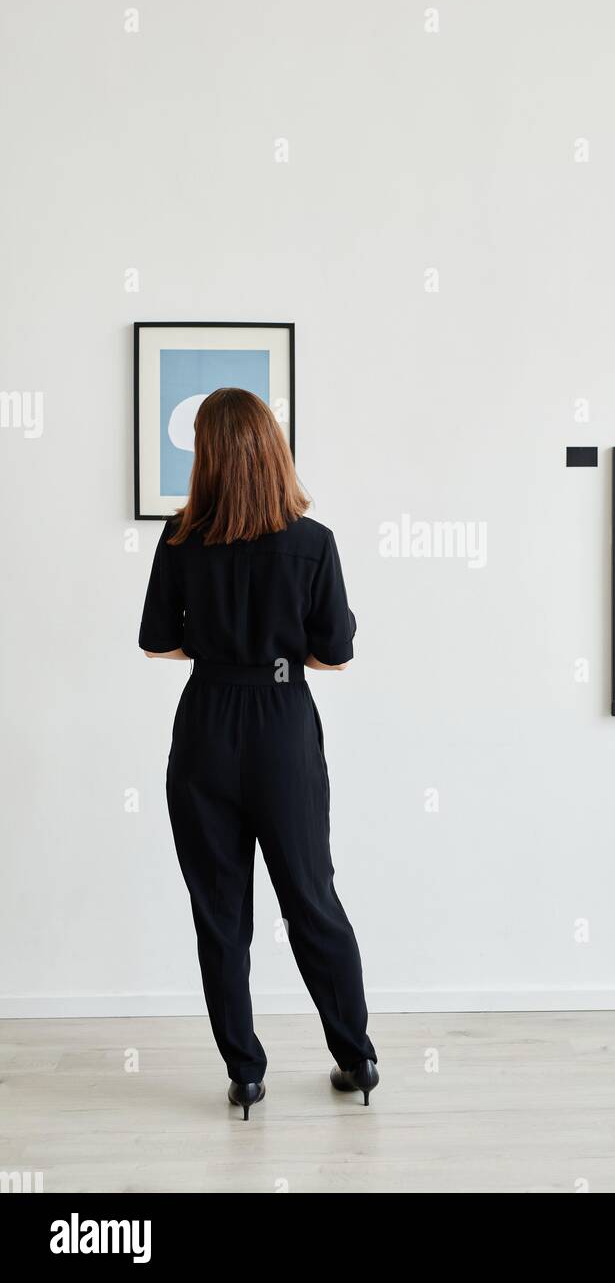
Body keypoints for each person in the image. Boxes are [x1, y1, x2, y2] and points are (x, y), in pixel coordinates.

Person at [138, 387, 378, 1119]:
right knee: (311, 898)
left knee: (220, 911)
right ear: (273, 448)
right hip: (282, 727)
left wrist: (220, 652)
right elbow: (334, 657)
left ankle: (245, 1073)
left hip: (206, 722)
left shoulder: (181, 537)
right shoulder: (313, 542)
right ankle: (356, 1059)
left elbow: (157, 641)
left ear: (208, 454)